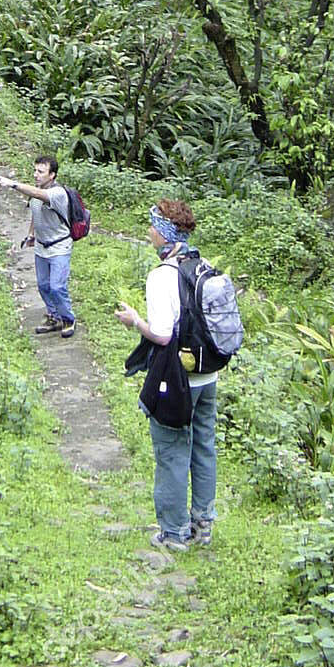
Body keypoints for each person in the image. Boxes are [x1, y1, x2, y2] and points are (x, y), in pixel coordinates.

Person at [115, 199, 216, 551]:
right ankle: (203, 524)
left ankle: (173, 533)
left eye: (154, 226)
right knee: (203, 446)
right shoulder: (201, 265)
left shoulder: (162, 276)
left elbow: (161, 334)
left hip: (177, 379)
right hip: (207, 374)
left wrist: (134, 322)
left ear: (166, 235)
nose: (149, 232)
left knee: (172, 450)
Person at [0, 154, 77, 339]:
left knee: (57, 286)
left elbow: (38, 195)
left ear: (52, 175)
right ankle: (53, 316)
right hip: (41, 246)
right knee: (43, 285)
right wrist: (31, 234)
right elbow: (36, 212)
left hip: (59, 246)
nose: (36, 174)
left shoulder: (57, 194)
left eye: (41, 172)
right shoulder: (35, 194)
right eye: (35, 170)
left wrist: (13, 184)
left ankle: (68, 319)